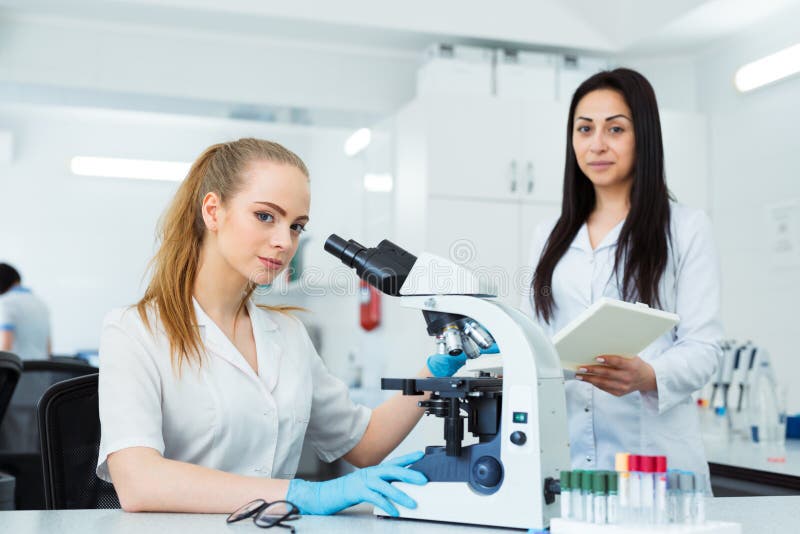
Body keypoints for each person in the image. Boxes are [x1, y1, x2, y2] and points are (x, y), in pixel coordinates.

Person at [97, 138, 430, 516]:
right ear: (213, 211)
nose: (284, 242)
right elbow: (140, 483)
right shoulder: (133, 331)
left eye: (297, 226)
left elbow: (363, 443)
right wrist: (300, 494)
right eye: (266, 216)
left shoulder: (288, 334)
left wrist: (438, 368)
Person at [519, 68, 722, 483]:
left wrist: (649, 376)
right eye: (584, 129)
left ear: (643, 136)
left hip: (656, 464)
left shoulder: (685, 228)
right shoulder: (549, 235)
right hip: (570, 464)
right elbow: (534, 339)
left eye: (615, 129)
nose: (597, 144)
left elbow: (706, 346)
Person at [0, 263, 51, 359]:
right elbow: (48, 349)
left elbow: (6, 347)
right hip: (43, 369)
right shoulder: (40, 302)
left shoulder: (6, 303)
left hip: (18, 371)